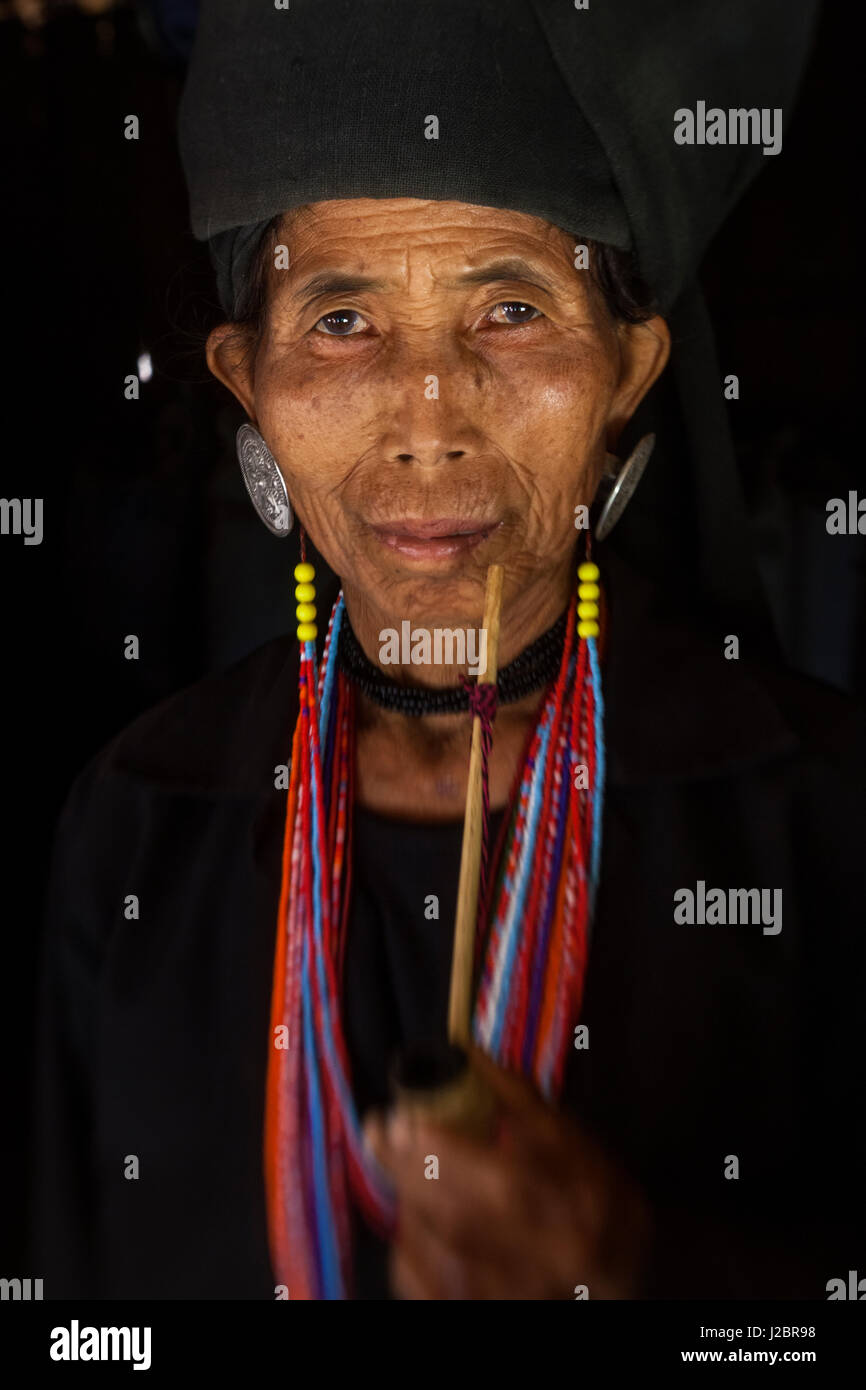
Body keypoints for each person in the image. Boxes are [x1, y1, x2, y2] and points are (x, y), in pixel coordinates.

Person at [32, 0, 864, 1300]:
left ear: (628, 371)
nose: (430, 421)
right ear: (244, 376)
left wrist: (645, 1274)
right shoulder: (137, 821)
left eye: (512, 310)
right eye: (343, 322)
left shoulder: (819, 815)